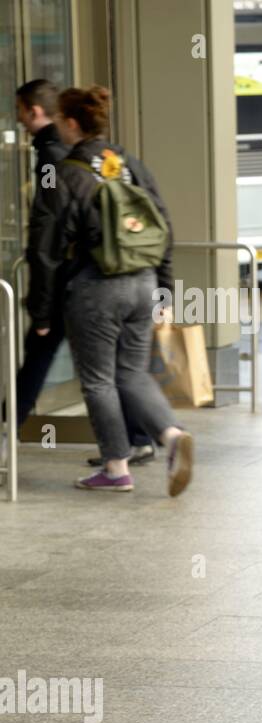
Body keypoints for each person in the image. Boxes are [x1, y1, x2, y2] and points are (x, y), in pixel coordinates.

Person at [32, 85, 194, 495]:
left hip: (96, 289)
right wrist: (164, 288)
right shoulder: (131, 164)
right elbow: (163, 225)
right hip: (142, 284)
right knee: (132, 373)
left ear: (70, 124)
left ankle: (116, 467)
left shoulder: (64, 173)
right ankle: (172, 435)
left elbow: (48, 249)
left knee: (99, 380)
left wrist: (42, 312)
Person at [7, 79, 154, 468]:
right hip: (109, 278)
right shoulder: (107, 156)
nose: (18, 119)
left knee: (51, 363)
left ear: (35, 112)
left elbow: (46, 238)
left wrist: (41, 307)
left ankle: (8, 437)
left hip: (74, 284)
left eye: (20, 111)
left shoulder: (54, 159)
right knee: (115, 367)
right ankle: (138, 439)